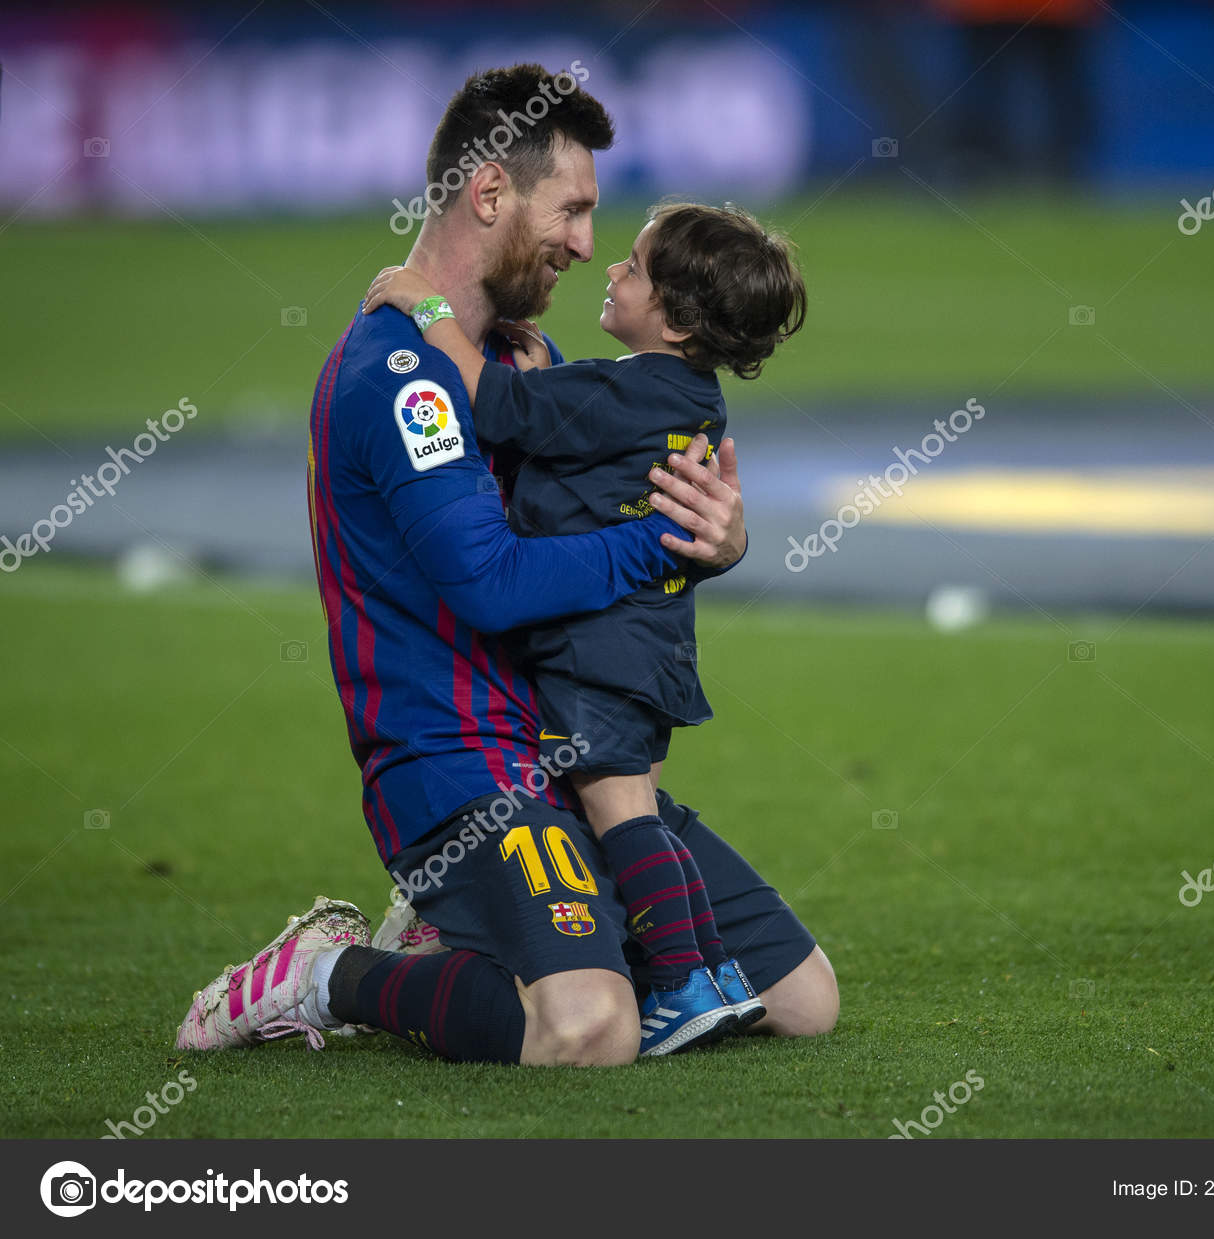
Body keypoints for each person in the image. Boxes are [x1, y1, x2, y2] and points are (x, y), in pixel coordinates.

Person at [174, 63, 836, 1067]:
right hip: (460, 765)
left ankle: (465, 930)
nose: (584, 245)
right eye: (570, 211)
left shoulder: (522, 362)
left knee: (801, 1000)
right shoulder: (406, 377)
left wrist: (717, 543)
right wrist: (661, 549)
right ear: (489, 194)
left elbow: (620, 509)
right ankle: (325, 971)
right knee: (589, 1031)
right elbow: (490, 583)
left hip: (569, 748)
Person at [360, 201, 806, 1054]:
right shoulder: (689, 396)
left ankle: (678, 978)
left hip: (594, 651)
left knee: (622, 816)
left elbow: (492, 406)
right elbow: (580, 443)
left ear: (674, 317)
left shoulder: (628, 384)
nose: (608, 266)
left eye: (632, 267)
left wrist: (424, 307)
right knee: (639, 809)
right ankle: (709, 969)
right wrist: (546, 375)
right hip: (656, 649)